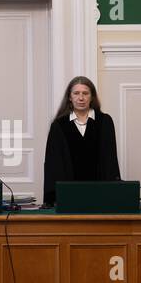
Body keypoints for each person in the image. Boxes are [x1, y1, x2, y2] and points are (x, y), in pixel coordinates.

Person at [42, 76, 121, 204]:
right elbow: (53, 166)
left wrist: (112, 195)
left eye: (85, 93)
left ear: (92, 96)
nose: (81, 98)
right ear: (69, 97)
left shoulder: (105, 121)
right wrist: (53, 201)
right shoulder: (58, 125)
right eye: (76, 93)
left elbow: (110, 162)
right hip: (69, 197)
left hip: (100, 195)